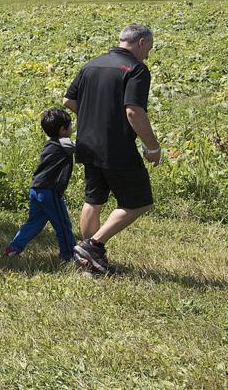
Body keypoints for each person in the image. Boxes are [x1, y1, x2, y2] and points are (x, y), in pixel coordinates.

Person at [64, 23, 161, 275]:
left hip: (87, 143)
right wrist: (152, 146)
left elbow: (68, 99)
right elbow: (133, 111)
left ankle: (88, 261)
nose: (148, 54)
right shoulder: (136, 69)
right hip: (116, 147)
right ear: (140, 43)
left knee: (93, 200)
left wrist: (92, 119)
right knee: (139, 202)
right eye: (148, 48)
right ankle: (93, 246)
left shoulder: (91, 64)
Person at [5, 108, 77, 261]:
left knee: (35, 222)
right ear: (63, 130)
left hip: (36, 189)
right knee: (63, 225)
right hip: (49, 191)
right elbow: (80, 145)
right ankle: (69, 254)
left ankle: (14, 247)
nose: (72, 129)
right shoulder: (64, 143)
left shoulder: (49, 144)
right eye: (70, 126)